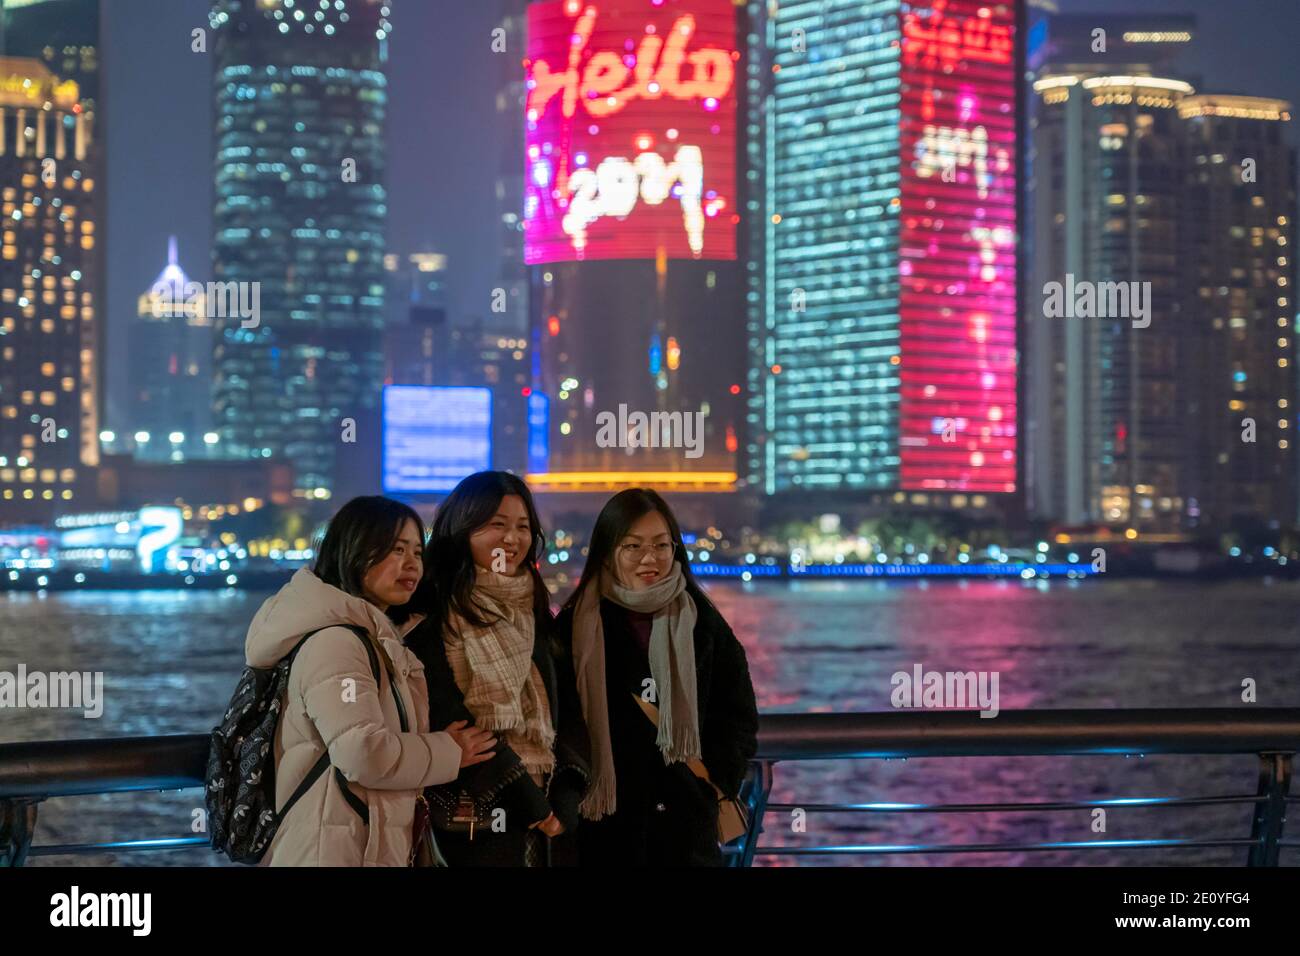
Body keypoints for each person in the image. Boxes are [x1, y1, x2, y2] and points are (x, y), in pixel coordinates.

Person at [244, 496, 495, 866]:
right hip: (331, 851)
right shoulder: (337, 643)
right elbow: (362, 754)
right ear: (355, 551)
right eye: (396, 550)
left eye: (417, 552)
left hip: (357, 843)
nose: (412, 564)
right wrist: (448, 751)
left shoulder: (373, 638)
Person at [555, 488, 759, 866]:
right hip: (602, 830)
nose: (650, 558)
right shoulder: (575, 626)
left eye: (662, 545)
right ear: (607, 551)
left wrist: (716, 777)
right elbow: (557, 720)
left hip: (685, 831)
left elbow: (738, 713)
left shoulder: (700, 620)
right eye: (633, 546)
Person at [408, 471, 590, 866]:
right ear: (462, 529)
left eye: (522, 527)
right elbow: (447, 713)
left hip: (548, 823)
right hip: (471, 822)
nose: (512, 538)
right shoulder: (433, 612)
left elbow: (568, 708)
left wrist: (564, 799)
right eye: (497, 525)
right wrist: (532, 804)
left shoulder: (533, 610)